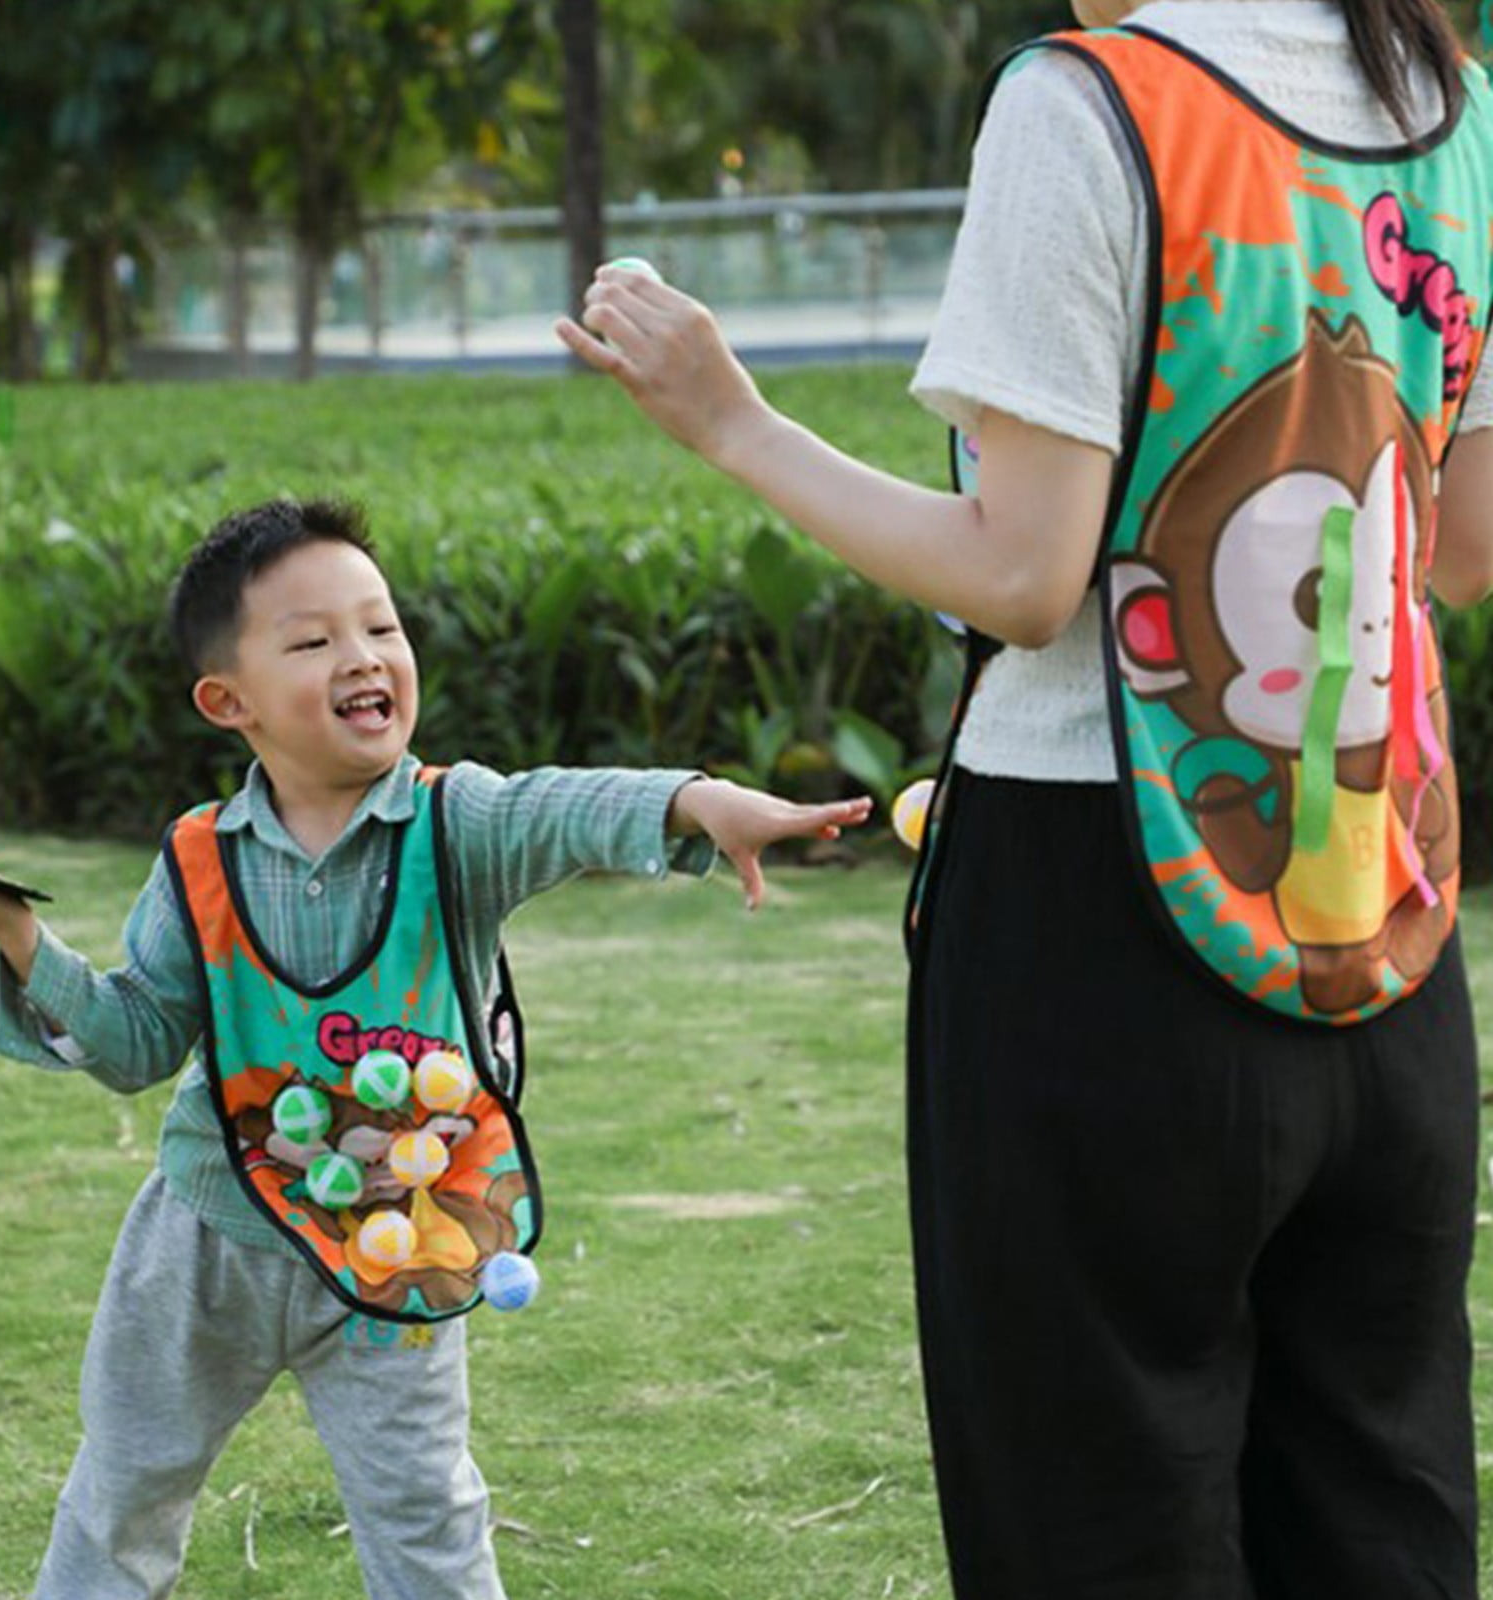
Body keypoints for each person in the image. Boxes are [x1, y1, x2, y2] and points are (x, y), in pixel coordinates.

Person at [556, 1, 1493, 1595]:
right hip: (1384, 937)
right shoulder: (1453, 107)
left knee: (1097, 1528)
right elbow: (1465, 553)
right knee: (1378, 1528)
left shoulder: (1090, 106)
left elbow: (1021, 574)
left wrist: (731, 420)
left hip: (1101, 924)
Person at [0, 496, 871, 1600]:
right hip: (202, 1242)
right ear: (226, 700)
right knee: (124, 1493)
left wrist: (702, 802)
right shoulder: (196, 861)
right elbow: (138, 1039)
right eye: (313, 639)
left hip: (402, 1242)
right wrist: (20, 935)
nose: (363, 656)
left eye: (380, 627)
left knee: (426, 1513)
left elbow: (561, 806)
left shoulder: (456, 823)